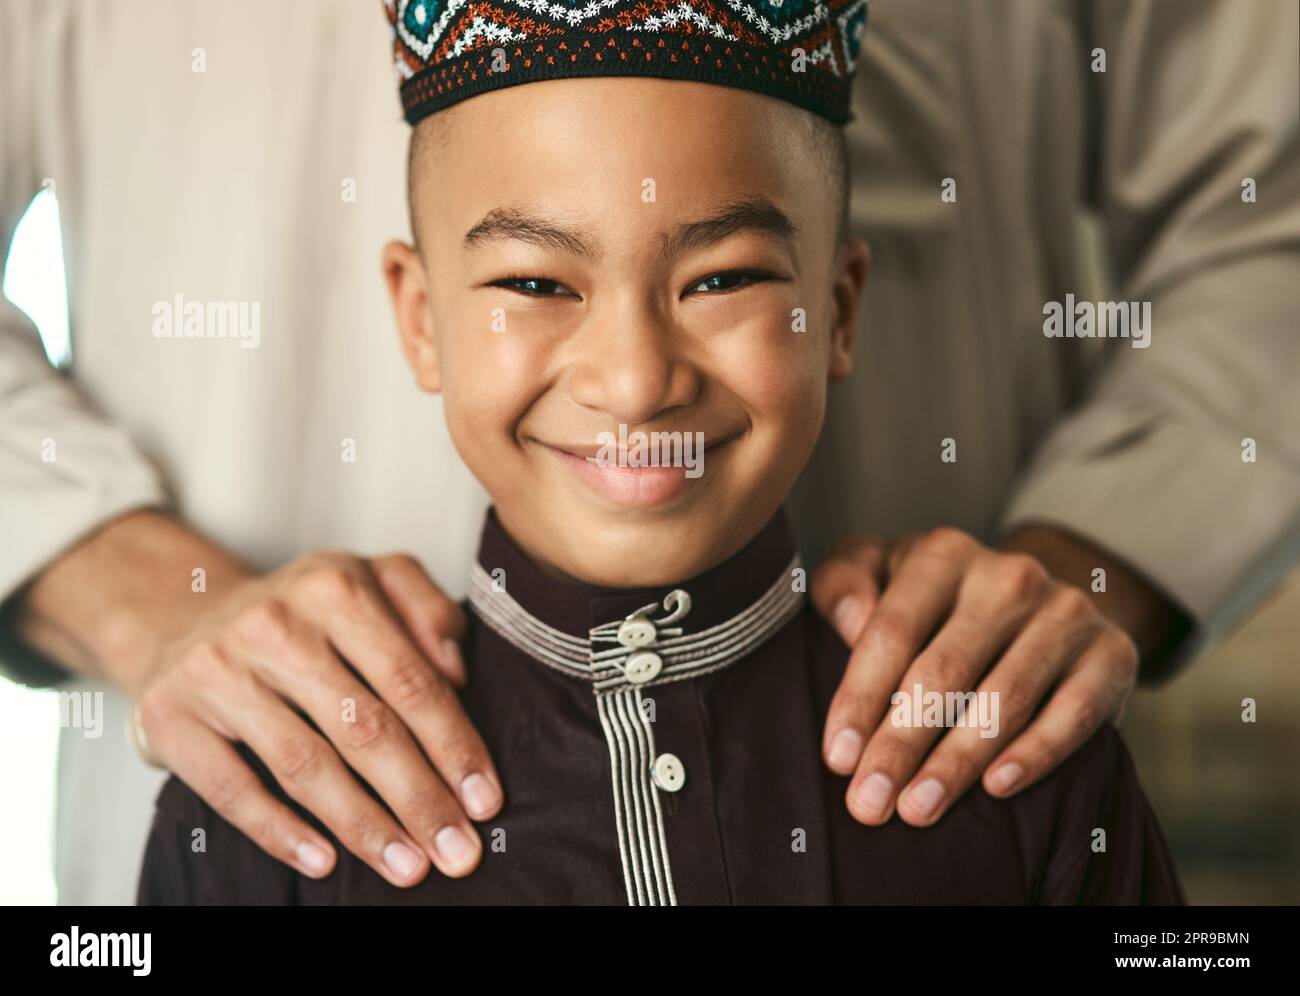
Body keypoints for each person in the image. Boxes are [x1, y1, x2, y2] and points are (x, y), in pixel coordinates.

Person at [2, 0, 1295, 904]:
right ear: (415, 311)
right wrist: (137, 595)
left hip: (936, 734)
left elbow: (1269, 221)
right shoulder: (234, 841)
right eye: (531, 280)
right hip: (268, 768)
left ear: (841, 305)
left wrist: (1085, 572)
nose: (632, 376)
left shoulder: (1037, 796)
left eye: (724, 274)